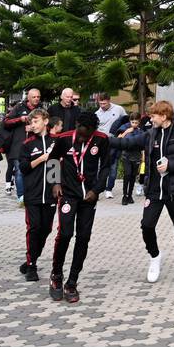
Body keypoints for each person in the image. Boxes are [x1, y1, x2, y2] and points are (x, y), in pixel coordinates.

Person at [127, 100, 174, 289]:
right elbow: (128, 143)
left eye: (153, 115)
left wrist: (171, 165)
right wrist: (104, 139)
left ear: (164, 116)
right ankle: (155, 256)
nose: (150, 118)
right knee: (147, 226)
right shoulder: (151, 135)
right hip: (154, 191)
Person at [47, 111, 109, 303]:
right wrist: (55, 183)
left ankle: (72, 282)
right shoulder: (64, 139)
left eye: (87, 134)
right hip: (68, 194)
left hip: (88, 198)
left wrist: (97, 190)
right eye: (81, 133)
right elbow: (53, 160)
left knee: (83, 237)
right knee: (65, 234)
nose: (83, 137)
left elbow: (106, 166)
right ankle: (56, 275)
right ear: (76, 126)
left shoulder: (101, 140)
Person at [17, 108, 57, 282]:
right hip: (32, 193)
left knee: (45, 228)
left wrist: (55, 184)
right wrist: (41, 158)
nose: (33, 125)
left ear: (46, 122)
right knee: (34, 228)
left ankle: (31, 258)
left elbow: (55, 166)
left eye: (36, 121)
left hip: (49, 194)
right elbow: (24, 168)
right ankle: (32, 265)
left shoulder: (55, 141)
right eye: (31, 122)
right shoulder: (27, 144)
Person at [1, 88, 41, 200]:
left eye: (38, 97)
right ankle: (21, 196)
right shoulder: (19, 107)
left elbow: (47, 125)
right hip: (18, 145)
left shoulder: (41, 109)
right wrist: (20, 119)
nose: (36, 99)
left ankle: (32, 194)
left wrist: (34, 128)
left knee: (34, 171)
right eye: (34, 97)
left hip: (35, 145)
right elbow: (6, 122)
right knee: (19, 171)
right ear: (28, 97)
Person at [111, 111, 149, 206]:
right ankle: (124, 195)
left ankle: (130, 195)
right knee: (127, 175)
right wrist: (126, 132)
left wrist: (143, 156)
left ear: (139, 122)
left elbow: (143, 145)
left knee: (133, 176)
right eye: (133, 122)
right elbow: (118, 140)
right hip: (126, 156)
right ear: (130, 121)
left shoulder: (141, 132)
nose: (134, 124)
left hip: (136, 157)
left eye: (136, 122)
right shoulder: (125, 128)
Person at [94, 93, 126, 200]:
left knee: (113, 166)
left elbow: (126, 121)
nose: (102, 105)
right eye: (100, 103)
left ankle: (109, 189)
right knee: (99, 166)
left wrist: (123, 133)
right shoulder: (97, 113)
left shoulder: (118, 109)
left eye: (104, 103)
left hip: (115, 141)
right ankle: (97, 189)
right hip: (102, 142)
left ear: (109, 100)